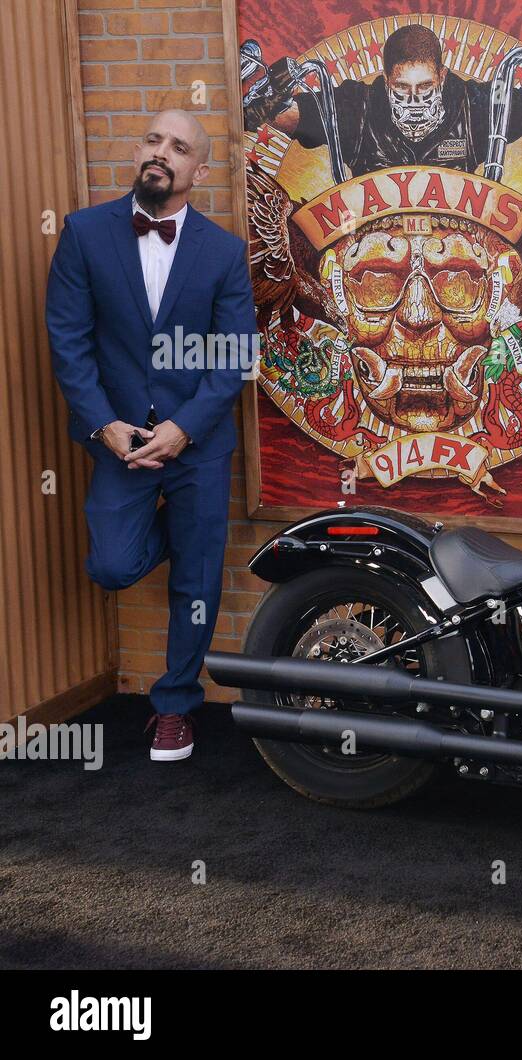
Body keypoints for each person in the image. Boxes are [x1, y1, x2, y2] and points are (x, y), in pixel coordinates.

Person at [46, 109, 256, 762]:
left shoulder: (224, 252)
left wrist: (185, 428)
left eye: (179, 146)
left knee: (196, 581)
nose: (161, 152)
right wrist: (103, 424)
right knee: (112, 564)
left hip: (198, 444)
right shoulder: (84, 233)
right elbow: (68, 339)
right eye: (153, 140)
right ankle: (191, 535)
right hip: (119, 442)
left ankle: (174, 707)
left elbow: (234, 355)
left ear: (200, 169)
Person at [244, 22, 522, 177]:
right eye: (402, 88)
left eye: (425, 87)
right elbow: (292, 117)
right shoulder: (357, 108)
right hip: (370, 254)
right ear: (385, 82)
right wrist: (268, 101)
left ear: (442, 77)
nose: (414, 100)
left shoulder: (473, 105)